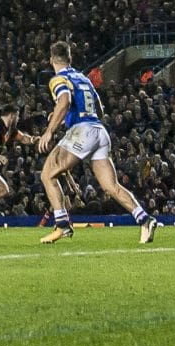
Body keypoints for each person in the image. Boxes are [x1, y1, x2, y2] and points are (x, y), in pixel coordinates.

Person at [31, 42, 155, 245]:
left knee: (47, 174)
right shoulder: (83, 78)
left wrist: (49, 131)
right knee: (110, 186)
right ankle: (144, 218)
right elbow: (99, 109)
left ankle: (62, 225)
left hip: (83, 131)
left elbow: (64, 102)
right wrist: (67, 117)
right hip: (99, 130)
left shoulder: (58, 79)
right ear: (70, 59)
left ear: (51, 60)